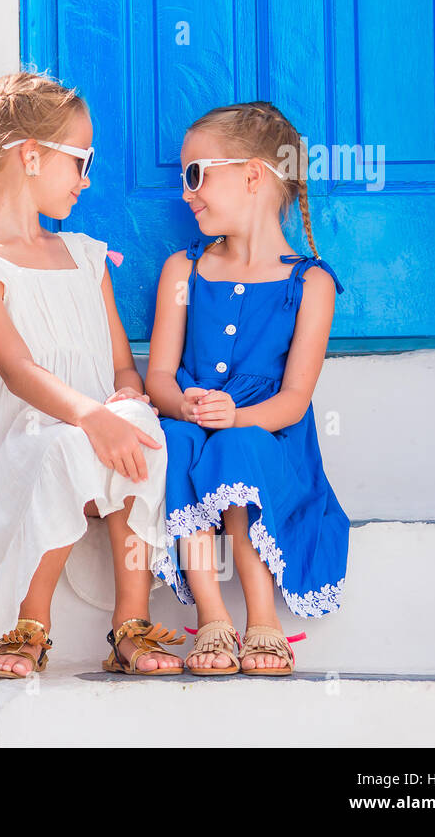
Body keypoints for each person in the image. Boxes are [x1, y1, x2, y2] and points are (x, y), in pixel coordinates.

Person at [0, 70, 181, 703]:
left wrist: (123, 399)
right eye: (80, 160)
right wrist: (93, 417)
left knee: (143, 430)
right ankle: (27, 622)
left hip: (99, 430)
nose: (86, 180)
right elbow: (19, 372)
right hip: (21, 441)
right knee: (66, 444)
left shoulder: (86, 257)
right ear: (30, 156)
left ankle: (131, 624)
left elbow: (121, 364)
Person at [145, 101, 349, 676]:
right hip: (191, 428)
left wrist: (235, 417)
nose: (187, 193)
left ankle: (263, 619)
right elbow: (159, 375)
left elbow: (293, 402)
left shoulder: (310, 283)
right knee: (176, 442)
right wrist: (181, 401)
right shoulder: (182, 272)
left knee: (235, 446)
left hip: (267, 439)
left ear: (253, 175)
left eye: (195, 174)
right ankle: (213, 617)